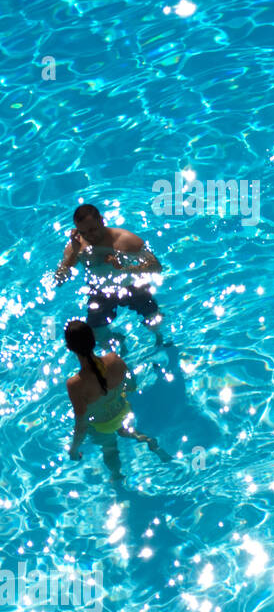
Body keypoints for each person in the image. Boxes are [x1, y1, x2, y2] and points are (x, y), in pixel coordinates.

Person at [64, 319, 169, 480]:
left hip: (102, 426)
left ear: (70, 348)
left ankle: (117, 475)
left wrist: (73, 449)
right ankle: (145, 439)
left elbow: (81, 424)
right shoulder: (114, 359)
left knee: (110, 449)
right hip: (124, 411)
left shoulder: (75, 384)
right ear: (93, 339)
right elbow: (132, 386)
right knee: (125, 429)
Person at [54, 204, 165, 346]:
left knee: (155, 322)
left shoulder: (125, 240)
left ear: (101, 220)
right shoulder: (76, 247)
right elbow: (59, 281)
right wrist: (74, 254)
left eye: (93, 230)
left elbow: (156, 267)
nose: (89, 236)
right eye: (83, 233)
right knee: (97, 335)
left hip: (132, 287)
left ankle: (159, 341)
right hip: (101, 292)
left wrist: (124, 268)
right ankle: (119, 341)